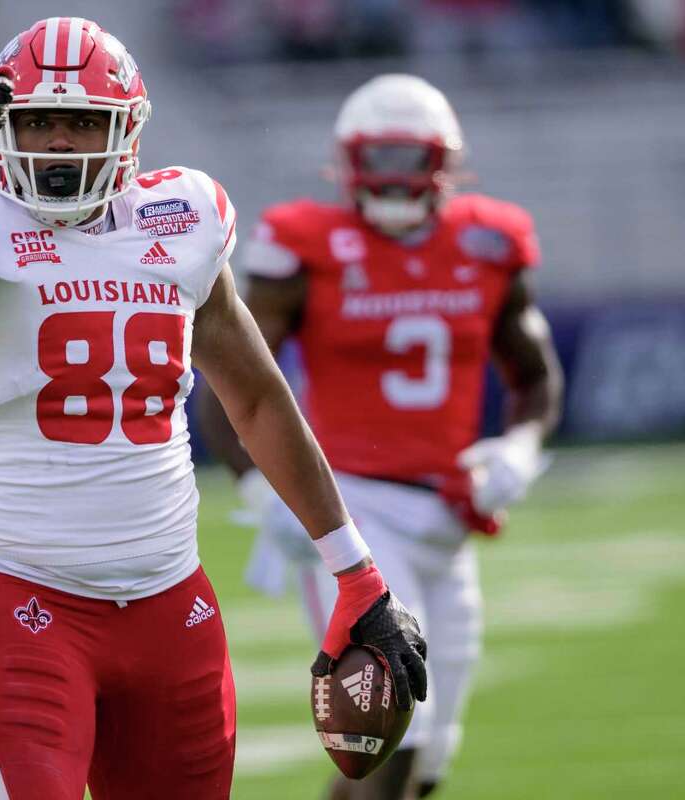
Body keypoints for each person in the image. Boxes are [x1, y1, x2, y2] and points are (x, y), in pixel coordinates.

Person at [0, 19, 427, 800]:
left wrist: (356, 573)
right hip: (21, 599)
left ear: (126, 129)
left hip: (173, 605)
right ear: (0, 126)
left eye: (82, 122)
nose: (61, 144)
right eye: (37, 120)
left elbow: (257, 396)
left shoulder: (181, 219)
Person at [199, 74, 563, 800]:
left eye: (409, 157)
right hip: (353, 514)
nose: (394, 177)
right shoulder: (307, 245)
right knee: (394, 729)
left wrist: (519, 449)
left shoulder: (489, 242)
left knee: (423, 764)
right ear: (348, 160)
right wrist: (259, 490)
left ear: (445, 162)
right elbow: (230, 379)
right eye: (381, 156)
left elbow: (535, 375)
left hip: (447, 522)